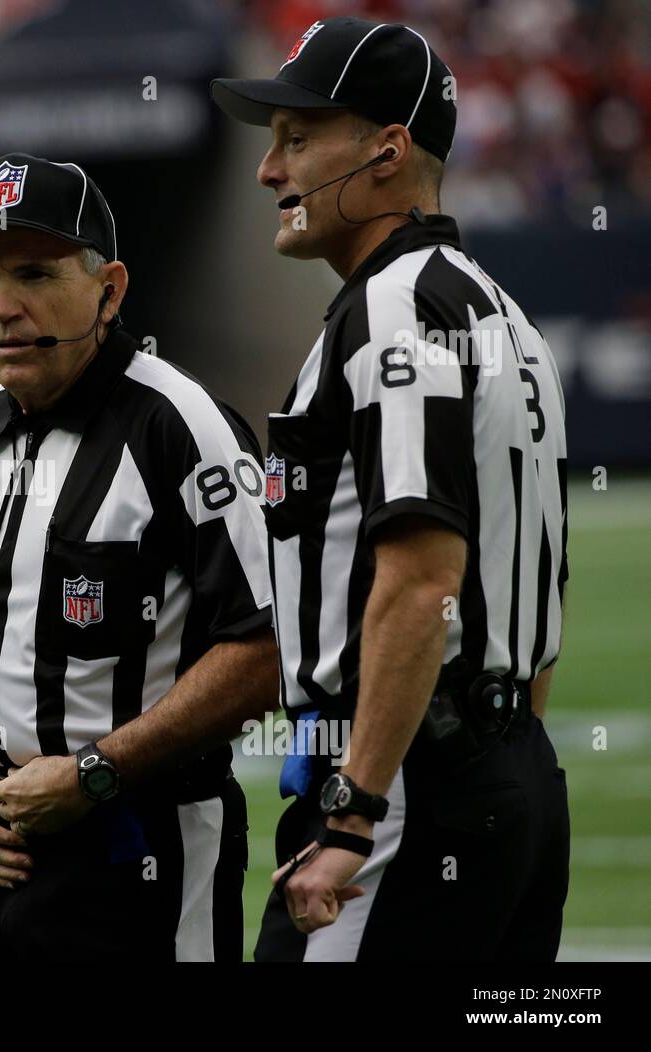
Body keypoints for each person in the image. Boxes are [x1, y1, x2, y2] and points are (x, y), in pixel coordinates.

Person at [210, 16, 570, 960]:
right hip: (508, 773)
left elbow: (421, 579)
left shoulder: (399, 304)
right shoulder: (502, 311)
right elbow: (529, 584)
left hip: (408, 785)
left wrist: (358, 810)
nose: (268, 170)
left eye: (297, 139)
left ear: (387, 149)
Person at [0, 153, 279, 962]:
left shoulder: (180, 425)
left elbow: (267, 648)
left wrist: (94, 773)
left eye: (36, 274)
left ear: (110, 289)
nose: (3, 309)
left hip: (136, 852)